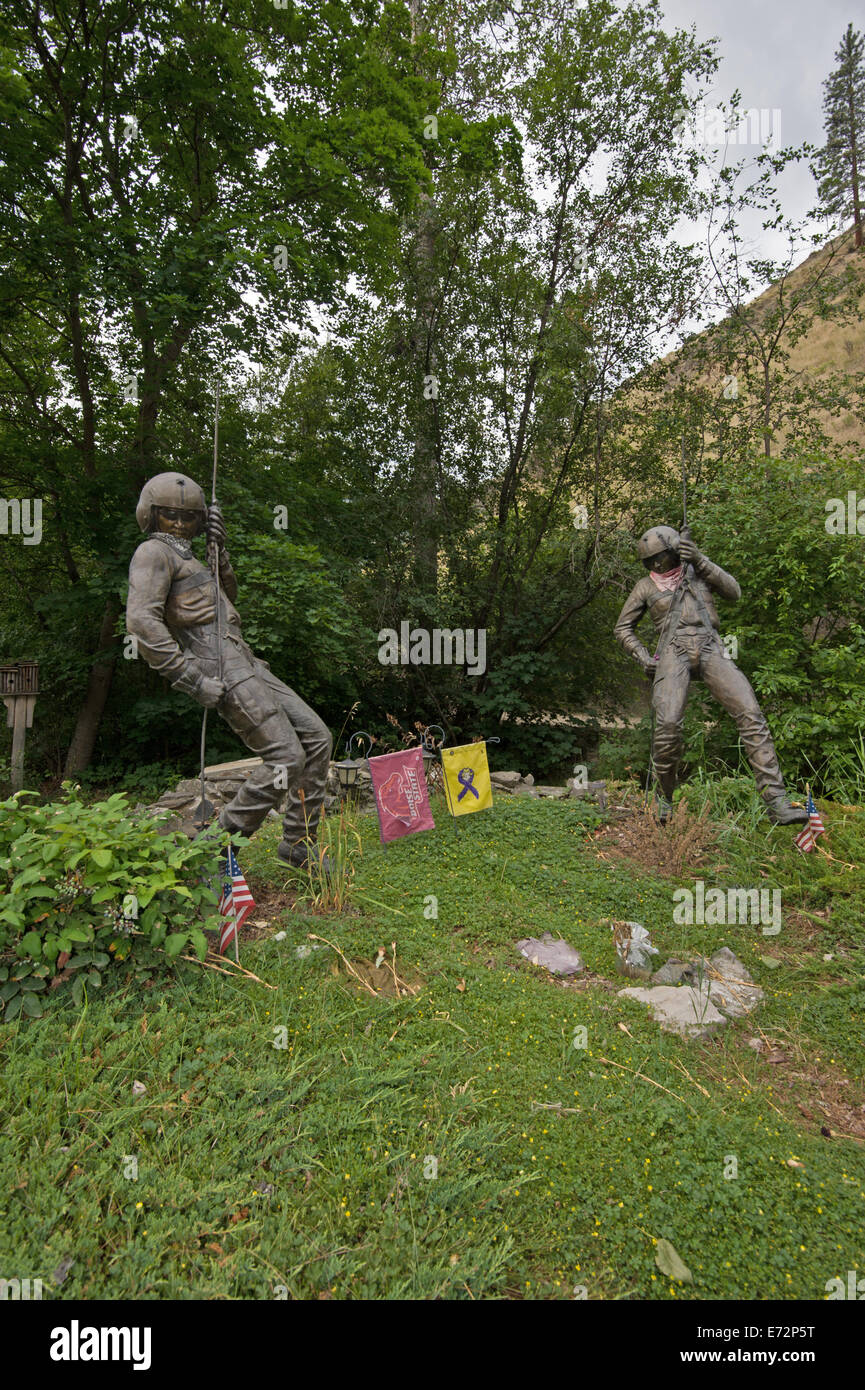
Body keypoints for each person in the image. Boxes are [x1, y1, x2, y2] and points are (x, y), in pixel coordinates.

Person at [126, 472, 332, 869]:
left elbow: (227, 602)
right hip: (217, 663)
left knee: (317, 738)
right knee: (286, 757)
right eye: (171, 515)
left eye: (190, 517)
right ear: (152, 516)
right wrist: (191, 678)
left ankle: (298, 843)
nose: (182, 523)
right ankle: (217, 847)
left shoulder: (189, 556)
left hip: (246, 659)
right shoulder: (153, 553)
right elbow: (141, 624)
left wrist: (220, 555)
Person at [614, 524, 808, 826]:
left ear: (674, 551)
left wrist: (701, 560)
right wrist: (643, 657)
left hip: (710, 646)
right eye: (649, 561)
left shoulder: (699, 570)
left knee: (750, 712)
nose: (655, 565)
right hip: (671, 651)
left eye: (660, 558)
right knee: (667, 725)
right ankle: (663, 799)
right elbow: (622, 628)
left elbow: (734, 591)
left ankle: (777, 802)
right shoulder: (645, 587)